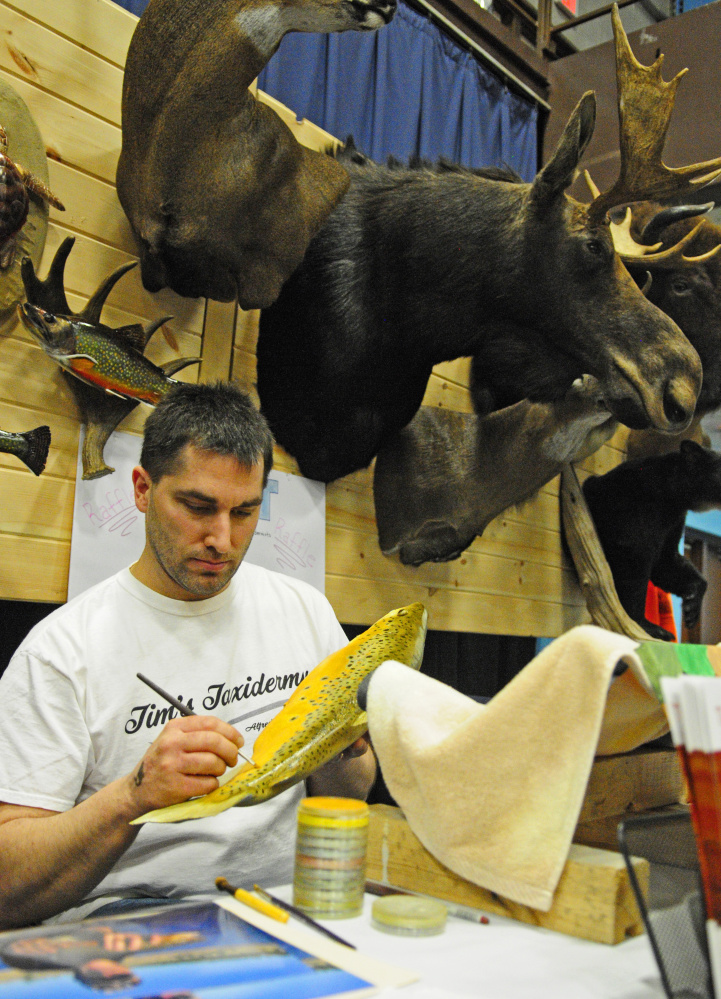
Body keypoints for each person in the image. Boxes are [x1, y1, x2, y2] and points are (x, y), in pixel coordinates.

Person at [0, 382, 375, 929]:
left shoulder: (305, 611)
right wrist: (134, 794)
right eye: (197, 507)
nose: (221, 539)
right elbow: (9, 888)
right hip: (124, 923)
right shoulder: (62, 651)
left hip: (287, 909)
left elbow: (356, 790)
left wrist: (341, 748)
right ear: (142, 489)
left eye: (245, 512)